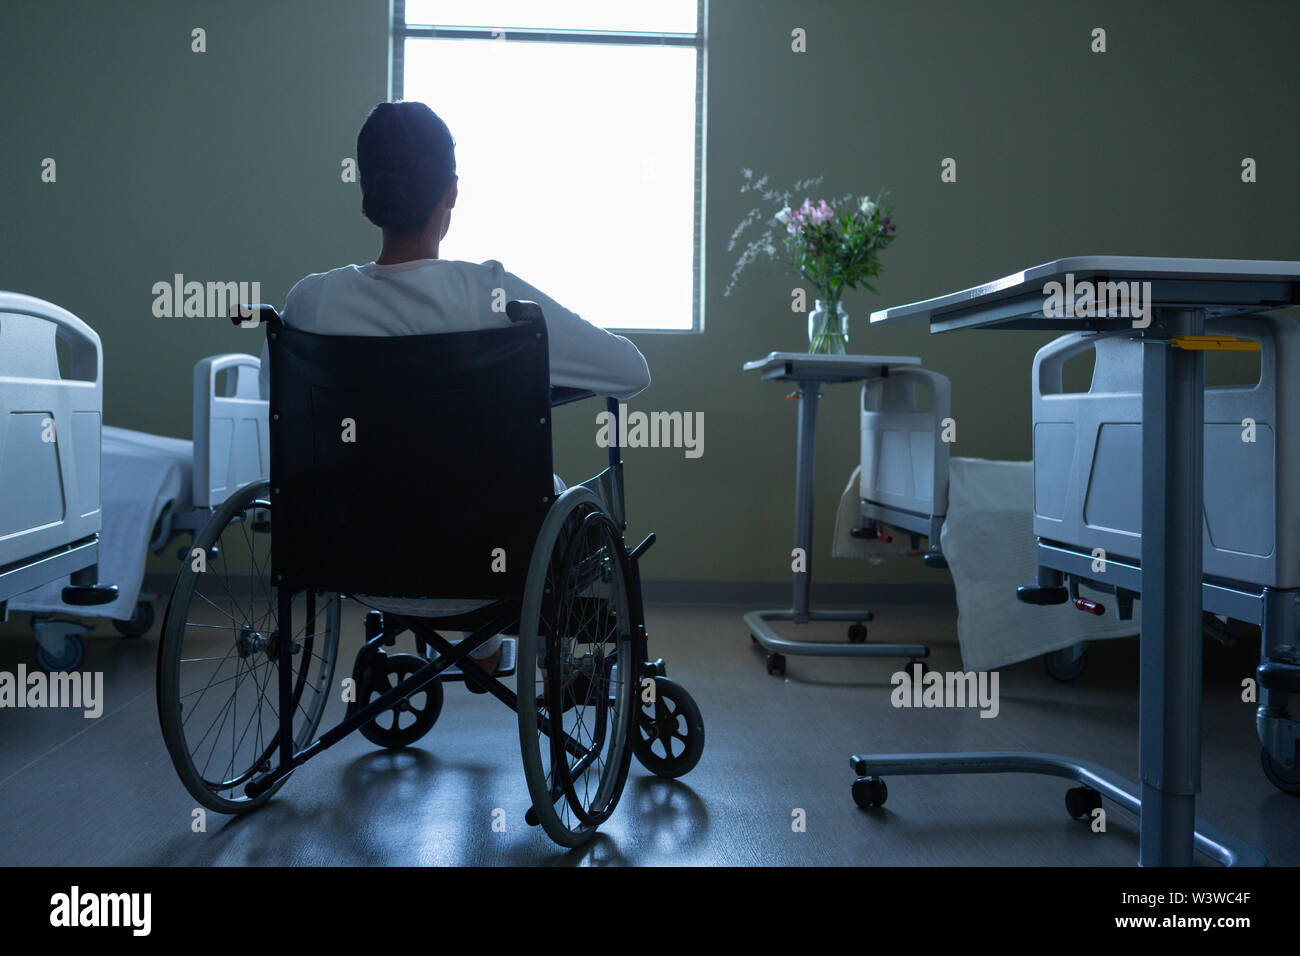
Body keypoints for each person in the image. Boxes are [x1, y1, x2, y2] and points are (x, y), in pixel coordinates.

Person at [261, 100, 650, 687]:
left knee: (419, 481)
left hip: (349, 563)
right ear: (451, 193)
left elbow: (288, 415)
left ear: (366, 190)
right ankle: (555, 662)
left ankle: (485, 649)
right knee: (546, 505)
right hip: (489, 568)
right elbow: (630, 371)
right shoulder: (489, 297)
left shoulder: (310, 303)